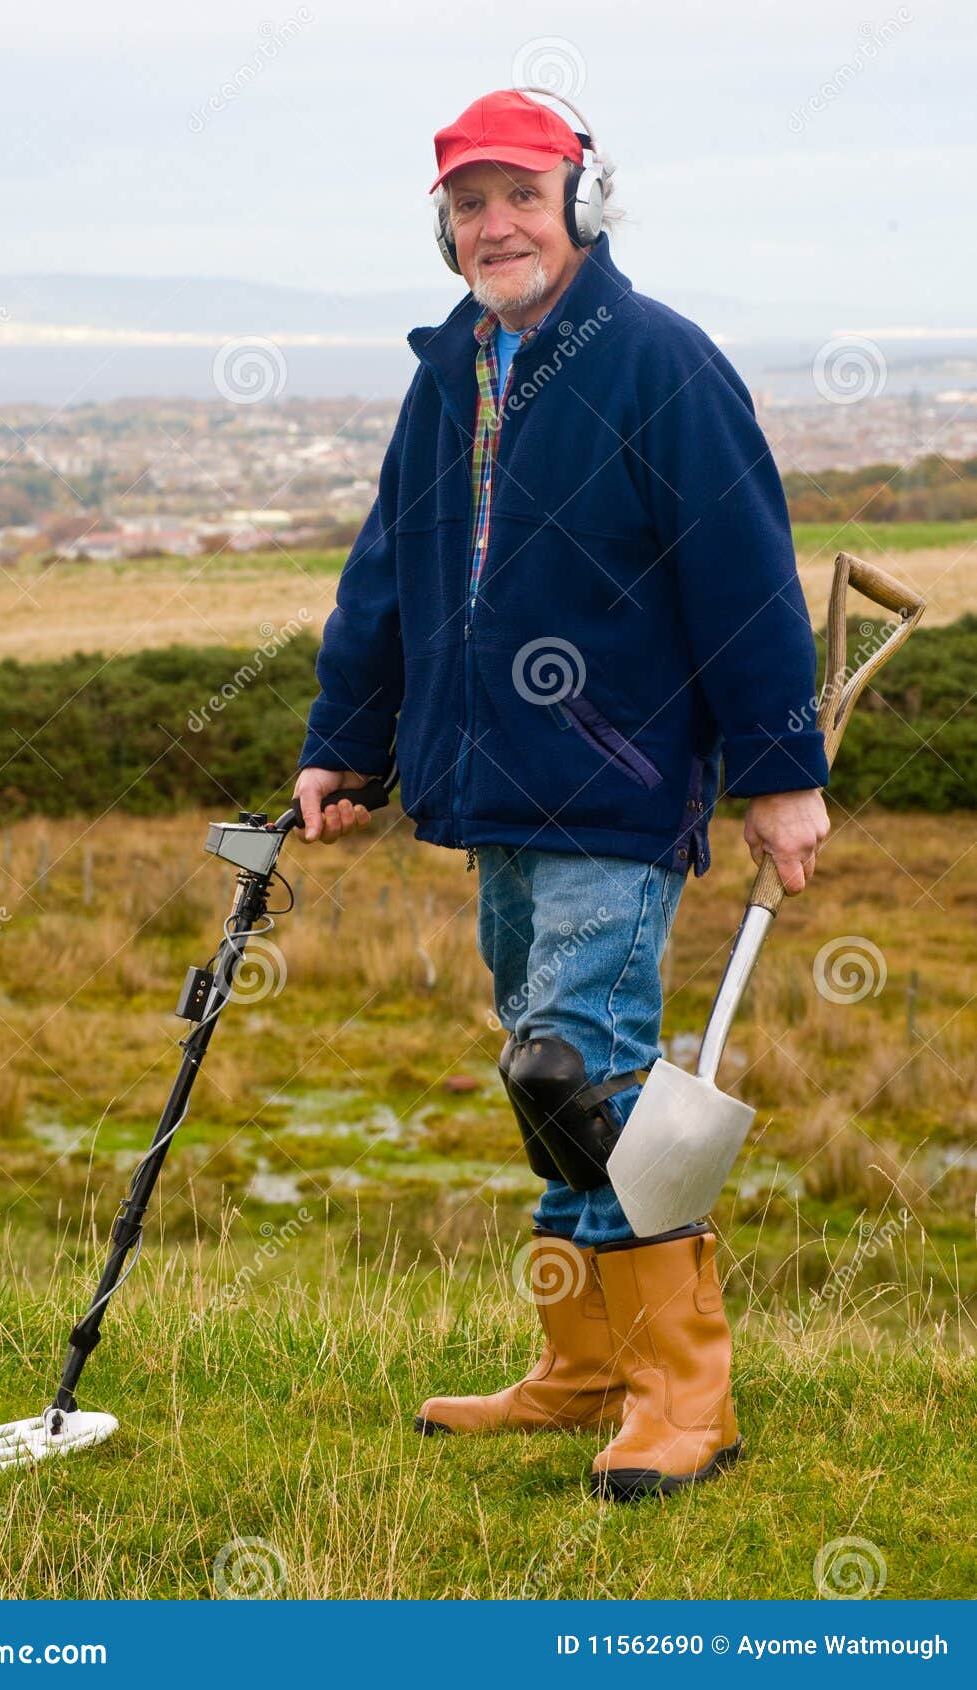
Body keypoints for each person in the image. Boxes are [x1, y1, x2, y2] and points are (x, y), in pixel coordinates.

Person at [291, 88, 830, 1499]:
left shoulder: (659, 363)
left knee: (578, 1062)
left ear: (582, 203)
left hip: (618, 784)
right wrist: (344, 740)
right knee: (546, 1072)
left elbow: (747, 582)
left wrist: (778, 775)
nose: (493, 224)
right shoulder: (453, 369)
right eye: (467, 204)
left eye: (519, 194)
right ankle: (581, 1366)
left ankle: (683, 1395)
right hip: (490, 794)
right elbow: (387, 574)